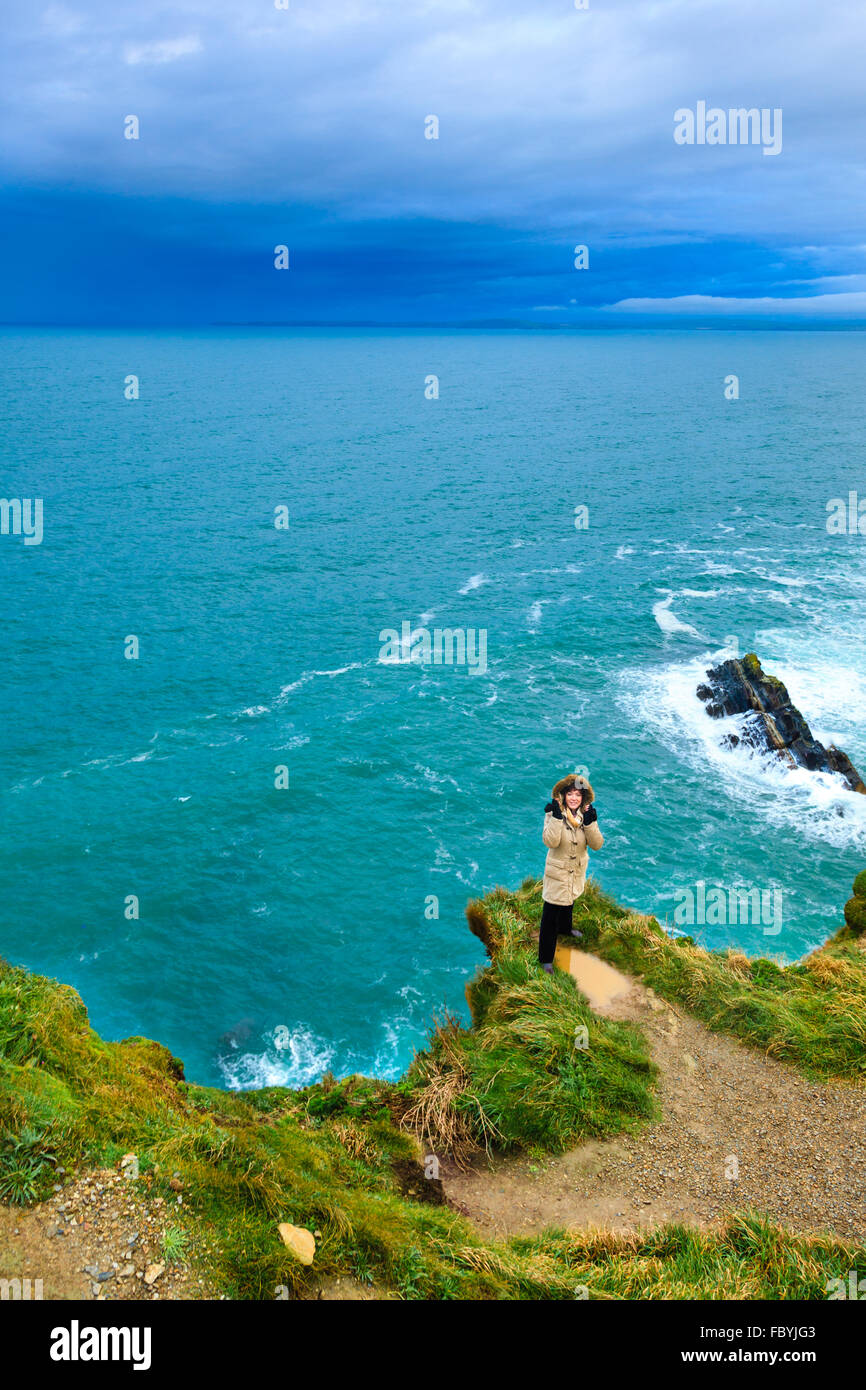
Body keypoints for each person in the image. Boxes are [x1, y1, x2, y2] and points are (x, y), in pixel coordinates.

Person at [538, 774, 603, 973]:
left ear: (583, 798)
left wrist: (591, 824)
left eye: (577, 795)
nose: (573, 798)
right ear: (563, 796)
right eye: (570, 794)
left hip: (576, 872)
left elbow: (597, 845)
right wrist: (557, 818)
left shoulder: (586, 817)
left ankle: (565, 929)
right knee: (550, 916)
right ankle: (545, 959)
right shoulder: (553, 813)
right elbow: (550, 842)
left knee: (570, 901)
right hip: (557, 873)